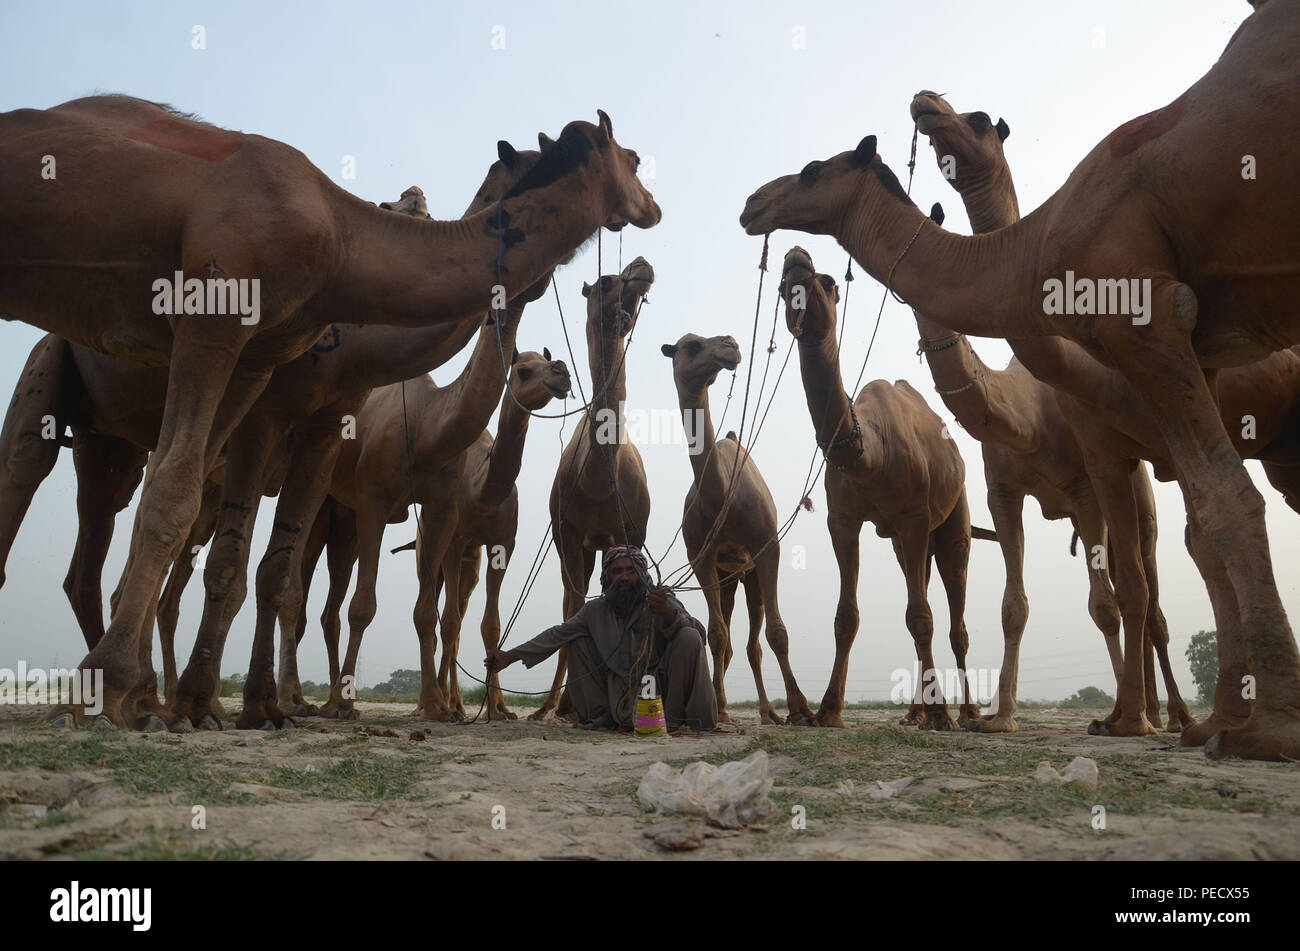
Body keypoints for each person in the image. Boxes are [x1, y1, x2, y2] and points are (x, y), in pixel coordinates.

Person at [485, 545, 717, 731]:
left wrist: (669, 615)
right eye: (617, 571)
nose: (624, 577)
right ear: (607, 577)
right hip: (617, 691)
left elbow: (699, 634)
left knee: (687, 635)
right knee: (577, 638)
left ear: (643, 575)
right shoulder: (595, 610)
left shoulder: (661, 599)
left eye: (631, 571)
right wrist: (510, 657)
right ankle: (599, 717)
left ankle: (677, 721)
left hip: (661, 689)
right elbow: (557, 634)